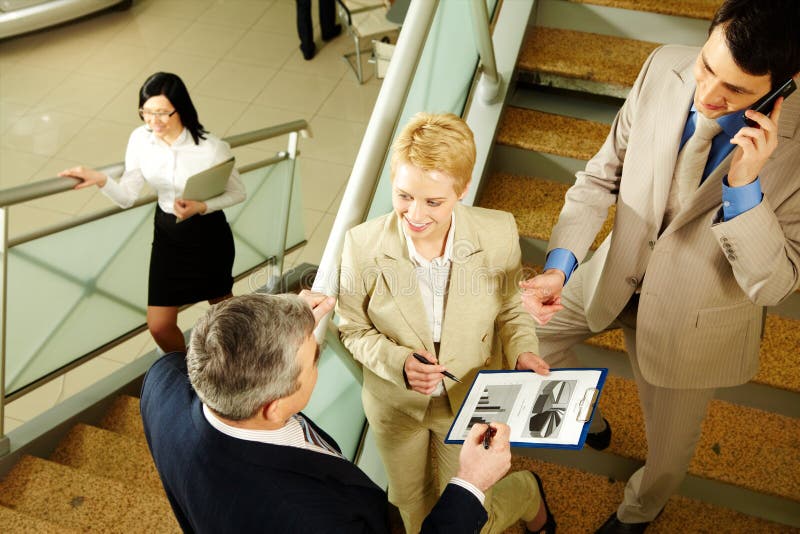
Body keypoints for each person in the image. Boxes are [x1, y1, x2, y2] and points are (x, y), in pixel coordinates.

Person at [520, 1, 800, 532]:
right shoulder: (662, 65)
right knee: (531, 341)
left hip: (694, 320)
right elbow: (601, 177)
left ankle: (639, 512)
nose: (708, 95)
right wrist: (560, 266)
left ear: (785, 84)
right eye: (707, 66)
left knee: (669, 456)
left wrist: (745, 190)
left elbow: (775, 284)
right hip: (609, 272)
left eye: (735, 90)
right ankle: (589, 414)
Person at [337, 112, 555, 534]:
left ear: (462, 189)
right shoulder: (361, 245)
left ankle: (526, 491)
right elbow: (352, 329)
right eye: (403, 196)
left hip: (469, 397)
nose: (414, 215)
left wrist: (524, 351)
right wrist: (398, 361)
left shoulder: (497, 232)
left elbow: (510, 310)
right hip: (396, 406)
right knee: (409, 506)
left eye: (433, 202)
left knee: (472, 510)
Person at [141, 290, 519, 533]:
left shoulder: (161, 382)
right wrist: (470, 482)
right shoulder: (309, 519)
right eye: (313, 360)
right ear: (273, 408)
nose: (318, 358)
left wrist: (287, 323)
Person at [59, 72, 246, 354]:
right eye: (145, 113)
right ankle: (184, 375)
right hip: (168, 236)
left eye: (161, 113)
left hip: (207, 235)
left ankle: (238, 360)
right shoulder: (140, 140)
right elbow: (127, 195)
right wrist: (100, 179)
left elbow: (238, 193)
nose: (152, 122)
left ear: (179, 109)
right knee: (158, 325)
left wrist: (201, 206)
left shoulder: (211, 149)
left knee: (223, 308)